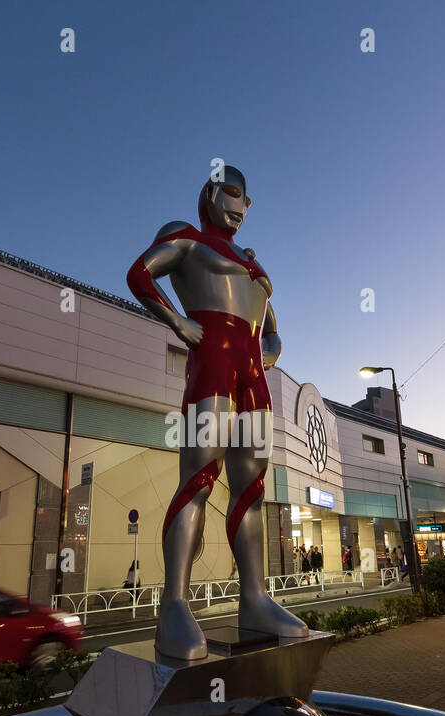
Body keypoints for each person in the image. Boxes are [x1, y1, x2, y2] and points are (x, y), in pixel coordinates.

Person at [126, 165, 306, 659]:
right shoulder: (183, 236)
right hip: (212, 367)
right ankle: (176, 604)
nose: (242, 206)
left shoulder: (250, 260)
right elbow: (139, 274)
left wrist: (270, 350)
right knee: (200, 477)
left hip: (252, 376)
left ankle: (254, 597)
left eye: (248, 200)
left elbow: (273, 330)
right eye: (233, 193)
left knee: (251, 485)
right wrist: (178, 322)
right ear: (209, 193)